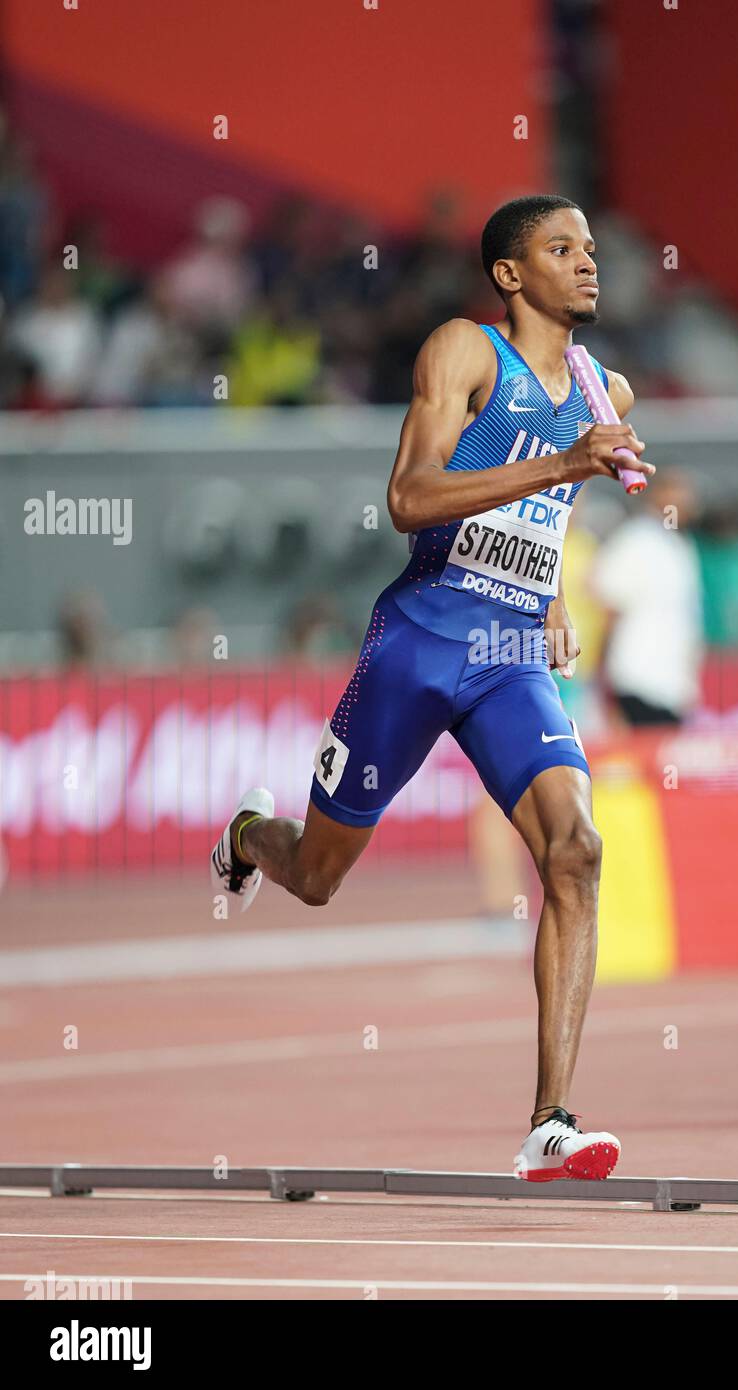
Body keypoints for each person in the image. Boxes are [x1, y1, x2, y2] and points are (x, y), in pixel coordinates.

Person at [211, 194, 654, 1179]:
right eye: (559, 248)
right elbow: (409, 499)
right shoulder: (462, 351)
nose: (587, 262)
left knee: (575, 851)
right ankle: (247, 836)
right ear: (508, 274)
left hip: (506, 652)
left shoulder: (604, 390)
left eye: (590, 246)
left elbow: (552, 502)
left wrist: (544, 589)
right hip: (417, 640)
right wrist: (562, 461)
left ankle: (551, 1120)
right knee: (319, 877)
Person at [590, 469, 702, 727]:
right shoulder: (635, 539)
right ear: (655, 492)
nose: (685, 499)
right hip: (636, 678)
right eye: (675, 490)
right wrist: (602, 680)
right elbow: (609, 606)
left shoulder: (680, 544)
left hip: (671, 685)